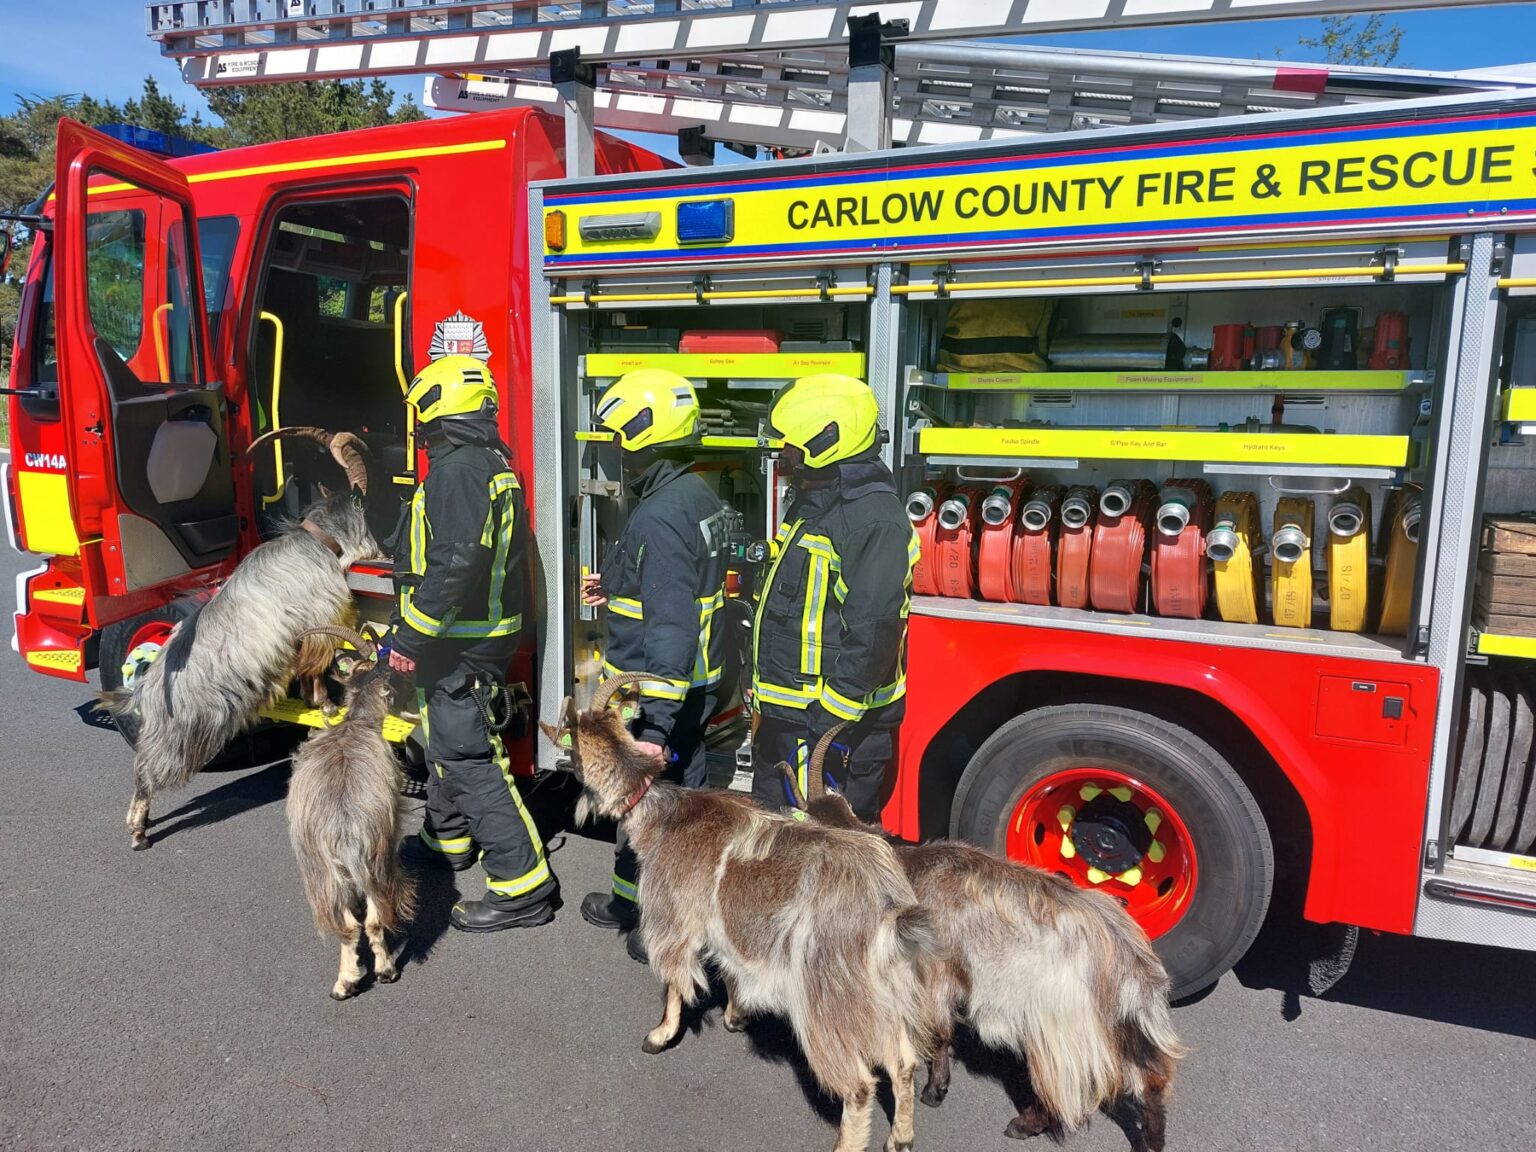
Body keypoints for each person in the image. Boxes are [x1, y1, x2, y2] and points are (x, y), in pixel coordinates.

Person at [390, 354, 556, 932]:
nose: (419, 425)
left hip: (458, 640)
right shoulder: (487, 462)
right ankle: (447, 839)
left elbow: (455, 563)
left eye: (421, 413)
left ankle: (521, 885)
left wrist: (410, 635)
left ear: (438, 410)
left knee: (468, 757)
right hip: (471, 637)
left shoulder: (459, 470)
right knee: (446, 741)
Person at [579, 368, 730, 961]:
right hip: (690, 686)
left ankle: (669, 927)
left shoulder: (659, 514)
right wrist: (617, 583)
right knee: (648, 808)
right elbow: (675, 586)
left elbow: (671, 626)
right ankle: (631, 901)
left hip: (660, 693)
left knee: (667, 822)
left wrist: (657, 728)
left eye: (620, 436)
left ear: (644, 434)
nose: (616, 448)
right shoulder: (693, 494)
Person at [749, 374, 919, 823]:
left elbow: (873, 635)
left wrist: (828, 722)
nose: (784, 452)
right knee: (776, 845)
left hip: (829, 732)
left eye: (791, 443)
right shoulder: (822, 501)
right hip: (793, 721)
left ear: (825, 441)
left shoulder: (871, 519)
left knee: (822, 852)